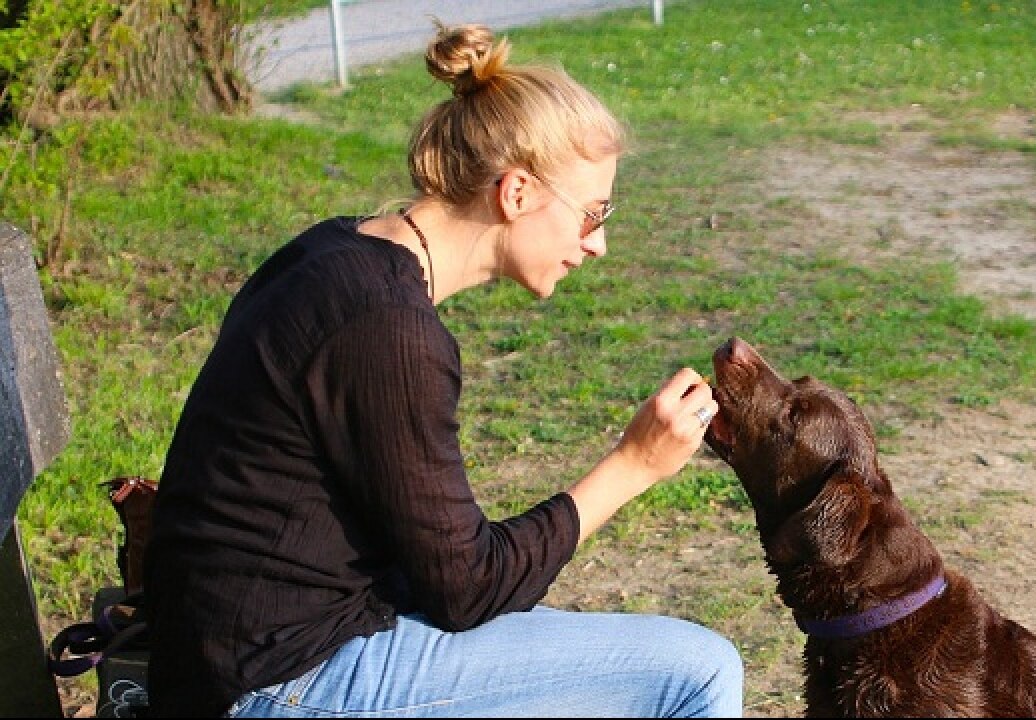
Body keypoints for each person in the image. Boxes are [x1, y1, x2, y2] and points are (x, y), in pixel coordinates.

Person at [142, 19, 743, 719]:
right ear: (516, 193)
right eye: (592, 214)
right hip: (273, 679)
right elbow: (465, 590)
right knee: (696, 673)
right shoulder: (388, 330)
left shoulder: (339, 252)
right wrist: (635, 464)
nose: (600, 243)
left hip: (244, 648)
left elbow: (438, 565)